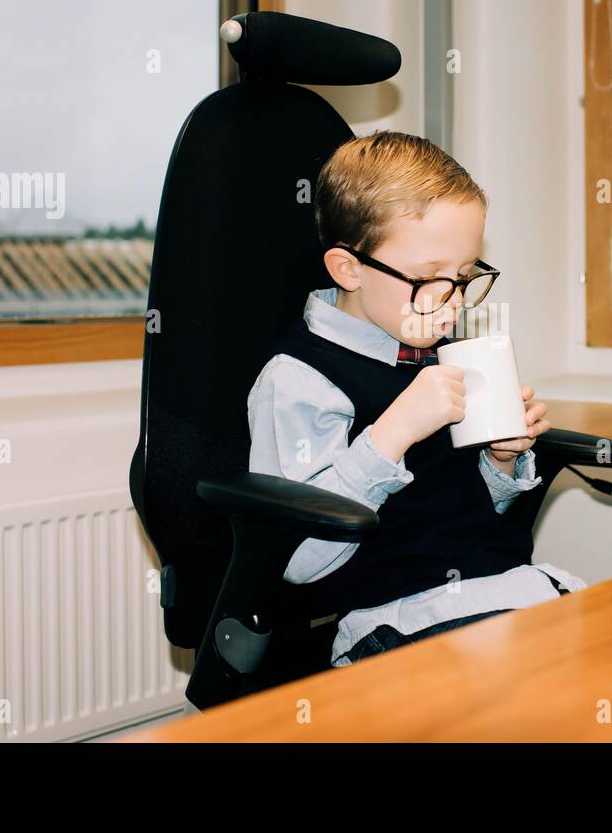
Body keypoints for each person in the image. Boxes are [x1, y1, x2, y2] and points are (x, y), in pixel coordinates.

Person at [247, 130, 587, 667]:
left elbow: (458, 513)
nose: (451, 302)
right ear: (348, 268)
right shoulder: (299, 381)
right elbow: (297, 558)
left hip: (503, 592)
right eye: (429, 279)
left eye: (464, 275)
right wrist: (395, 430)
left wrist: (499, 459)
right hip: (394, 622)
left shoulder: (432, 350)